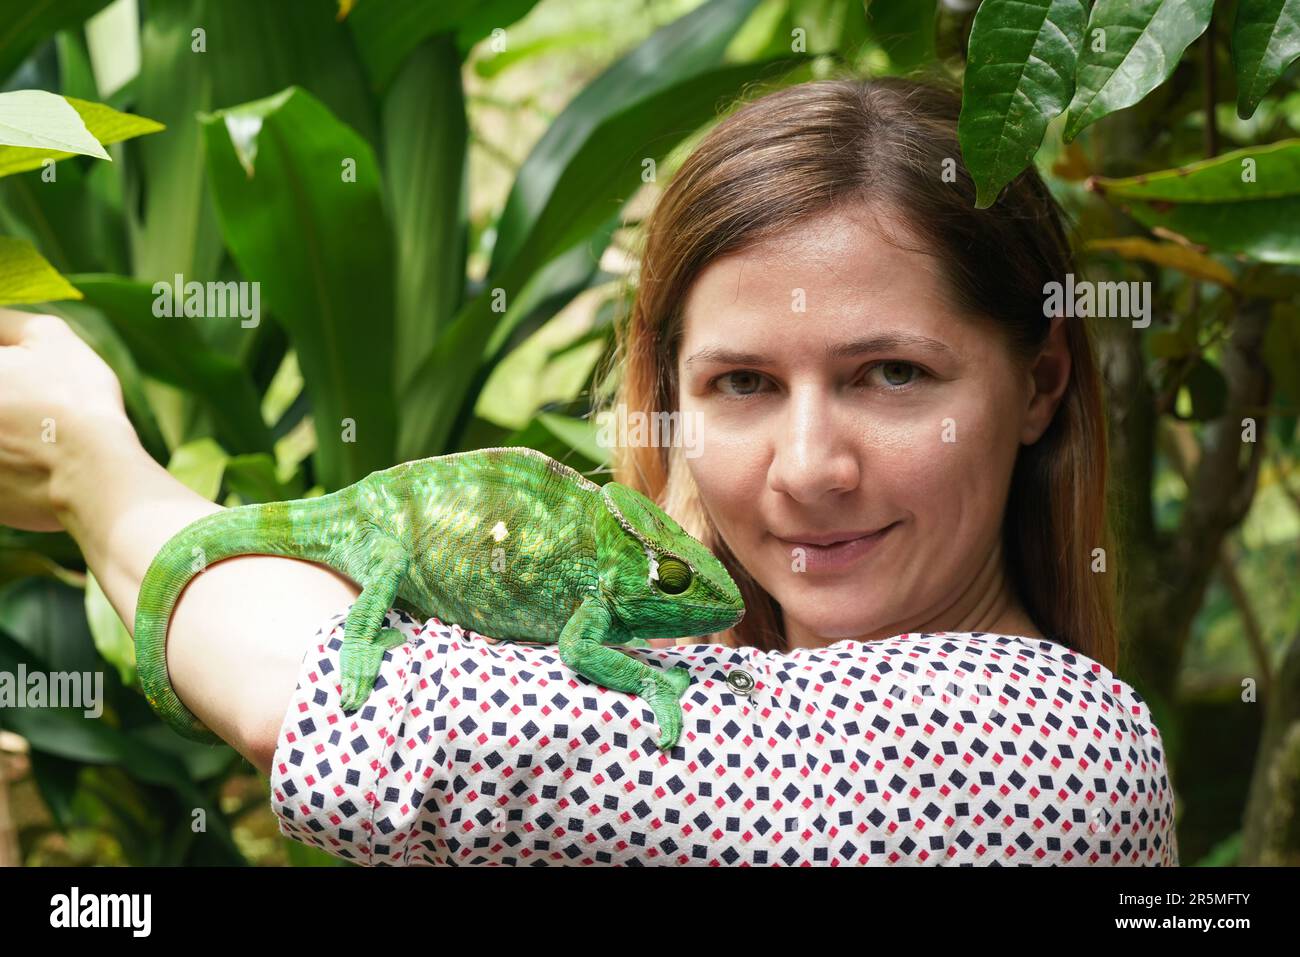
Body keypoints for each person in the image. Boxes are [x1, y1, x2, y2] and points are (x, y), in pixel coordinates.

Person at [0, 75, 1178, 866]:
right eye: (741, 385)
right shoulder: (689, 664)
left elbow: (371, 723)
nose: (809, 470)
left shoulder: (1054, 744)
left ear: (1038, 385)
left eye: (892, 376)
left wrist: (92, 472)